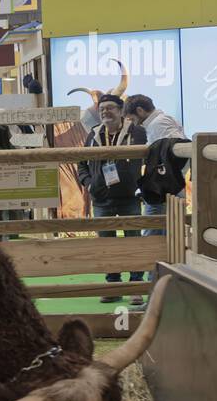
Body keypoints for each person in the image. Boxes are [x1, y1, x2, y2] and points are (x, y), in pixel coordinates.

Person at [76, 94, 147, 306]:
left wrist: (140, 184)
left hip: (129, 198)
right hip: (101, 199)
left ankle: (135, 287)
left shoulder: (137, 132)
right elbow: (81, 164)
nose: (105, 112)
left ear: (120, 110)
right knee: (106, 244)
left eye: (110, 108)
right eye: (102, 109)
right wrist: (89, 184)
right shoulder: (93, 134)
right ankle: (113, 285)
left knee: (133, 242)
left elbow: (147, 158)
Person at [125, 95, 186, 247]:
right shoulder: (162, 121)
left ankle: (155, 270)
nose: (133, 123)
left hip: (163, 191)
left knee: (153, 237)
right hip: (168, 189)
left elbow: (171, 157)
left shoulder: (159, 124)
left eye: (132, 119)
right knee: (167, 237)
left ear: (139, 110)